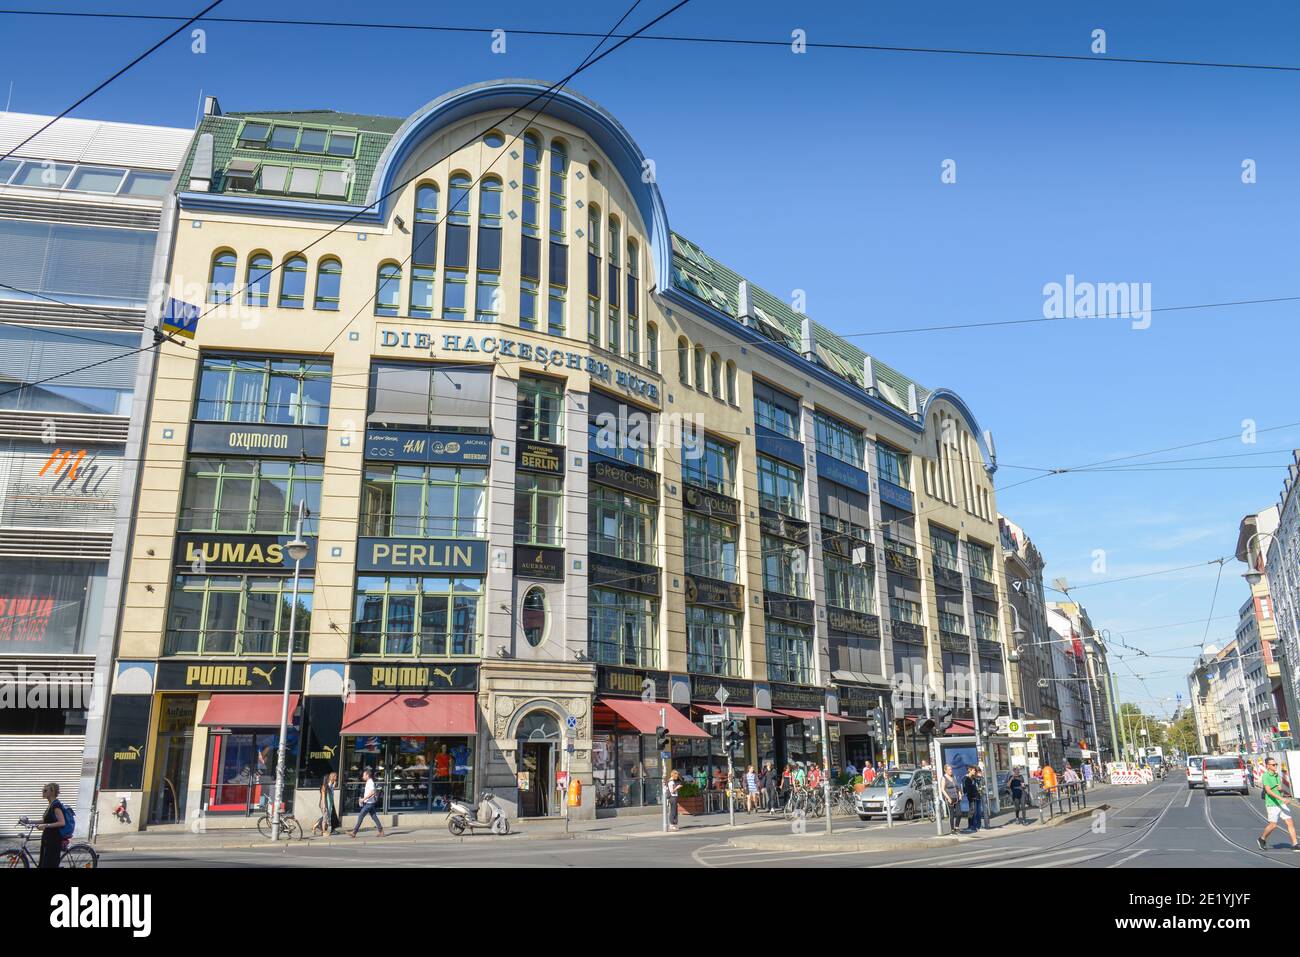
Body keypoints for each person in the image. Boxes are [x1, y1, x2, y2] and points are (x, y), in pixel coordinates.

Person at [1256, 757, 1298, 851]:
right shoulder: (1266, 776)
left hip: (1281, 803)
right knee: (1273, 825)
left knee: (1289, 822)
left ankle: (1295, 844)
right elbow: (1268, 791)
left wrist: (1281, 790)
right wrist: (1281, 798)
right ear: (1267, 766)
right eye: (1273, 765)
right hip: (1272, 804)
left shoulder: (1277, 775)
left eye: (1276, 764)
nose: (1275, 766)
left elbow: (1280, 790)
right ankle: (1262, 839)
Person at [29, 783, 68, 868]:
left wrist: (46, 826)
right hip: (47, 838)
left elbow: (62, 822)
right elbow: (45, 820)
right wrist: (30, 821)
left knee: (49, 864)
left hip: (54, 840)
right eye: (43, 790)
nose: (43, 791)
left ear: (52, 792)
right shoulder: (51, 804)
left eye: (45, 790)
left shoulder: (56, 805)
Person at [350, 767, 384, 838]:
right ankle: (381, 831)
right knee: (374, 817)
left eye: (364, 775)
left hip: (369, 804)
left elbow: (373, 792)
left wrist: (364, 799)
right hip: (369, 803)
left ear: (367, 775)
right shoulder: (368, 782)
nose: (363, 777)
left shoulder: (370, 782)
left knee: (360, 816)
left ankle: (354, 832)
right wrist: (363, 799)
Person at [962, 767, 982, 833]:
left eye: (975, 770)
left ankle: (978, 825)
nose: (975, 771)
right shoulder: (966, 778)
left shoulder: (974, 778)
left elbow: (978, 786)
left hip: (977, 796)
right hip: (972, 797)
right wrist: (971, 794)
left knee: (978, 812)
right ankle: (971, 826)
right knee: (972, 811)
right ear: (969, 770)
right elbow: (966, 789)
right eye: (973, 770)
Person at [942, 765, 962, 830]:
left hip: (956, 797)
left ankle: (957, 826)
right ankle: (952, 829)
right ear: (945, 770)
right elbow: (942, 789)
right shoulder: (944, 778)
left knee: (959, 813)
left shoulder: (953, 777)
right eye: (949, 769)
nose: (951, 771)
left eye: (951, 769)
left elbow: (957, 786)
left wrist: (959, 794)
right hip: (950, 798)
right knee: (952, 814)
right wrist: (948, 798)